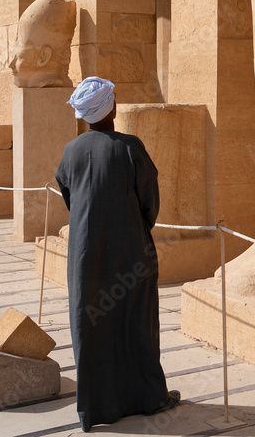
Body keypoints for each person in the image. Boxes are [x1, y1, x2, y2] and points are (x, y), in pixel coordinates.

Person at [55, 76, 180, 431]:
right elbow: (149, 199)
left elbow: (69, 195)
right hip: (131, 252)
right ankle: (148, 397)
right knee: (136, 322)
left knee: (92, 323)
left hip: (85, 254)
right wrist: (136, 224)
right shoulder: (129, 147)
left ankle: (97, 408)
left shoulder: (71, 150)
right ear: (110, 108)